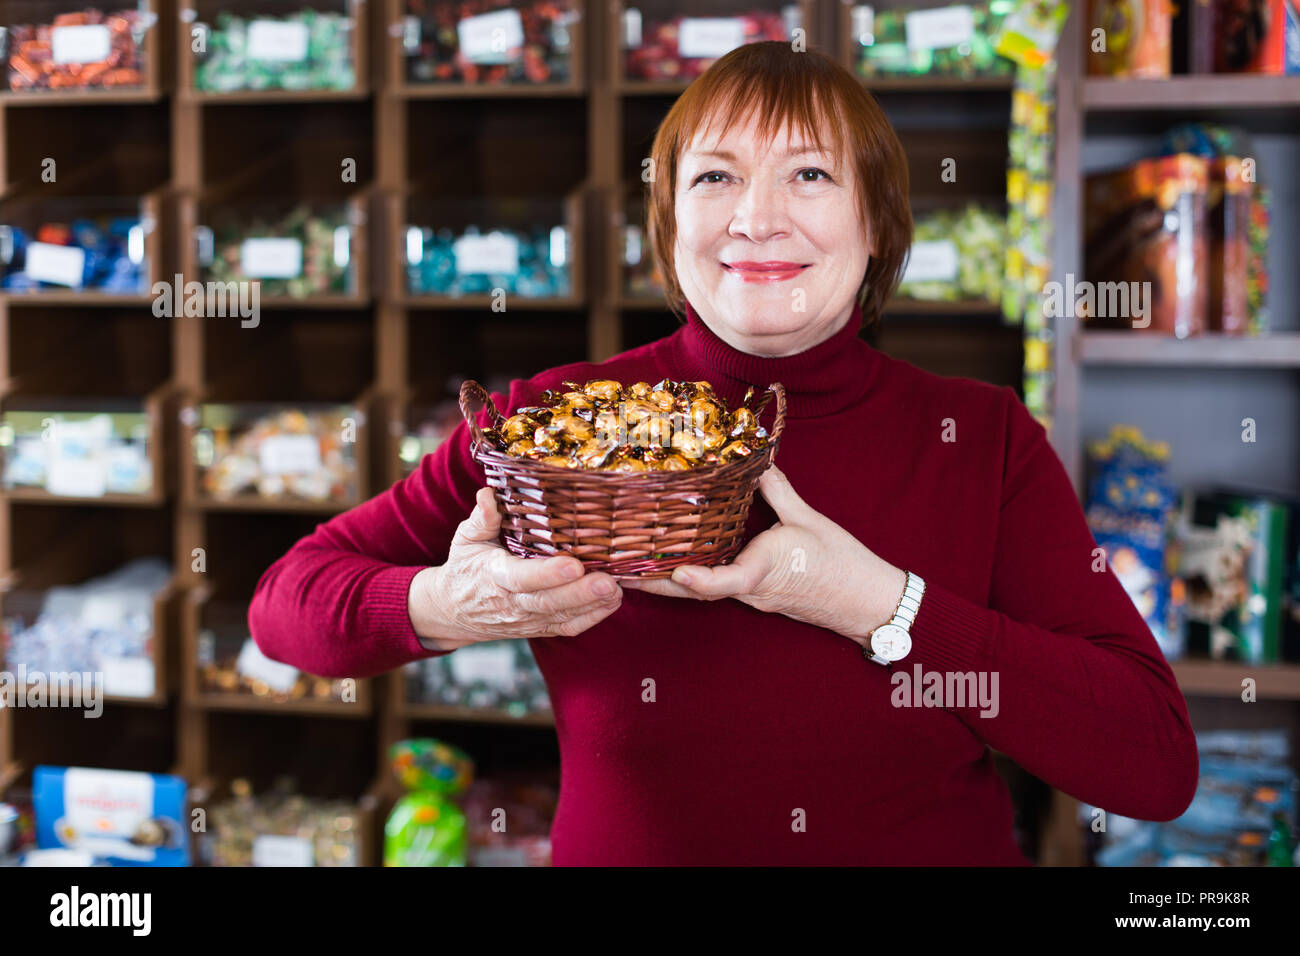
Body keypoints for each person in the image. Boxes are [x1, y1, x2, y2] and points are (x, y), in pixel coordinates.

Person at [249, 41, 1198, 865]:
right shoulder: (547, 423)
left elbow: (1152, 760)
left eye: (811, 175)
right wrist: (451, 605)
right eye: (715, 176)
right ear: (670, 225)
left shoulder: (981, 438)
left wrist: (875, 603)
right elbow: (285, 606)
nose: (757, 218)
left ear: (877, 224)